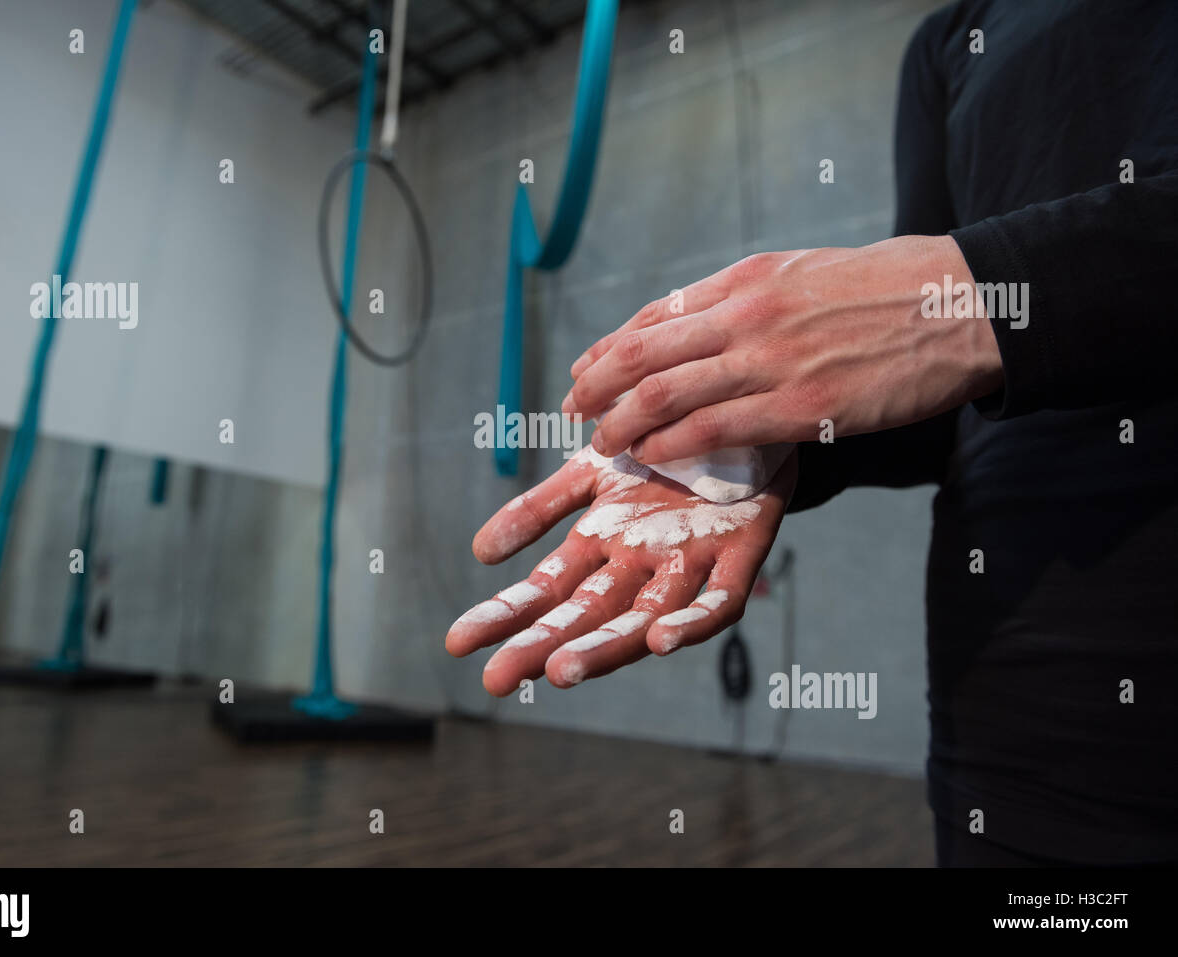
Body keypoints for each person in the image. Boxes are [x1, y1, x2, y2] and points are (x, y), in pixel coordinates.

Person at [447, 0, 1178, 866]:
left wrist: (964, 300)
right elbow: (933, 402)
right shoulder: (950, 42)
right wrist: (756, 436)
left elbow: (946, 325)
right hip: (1009, 704)